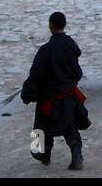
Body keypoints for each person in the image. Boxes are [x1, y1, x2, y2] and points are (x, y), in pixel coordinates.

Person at [21, 11, 90, 170]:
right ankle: (77, 155)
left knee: (40, 125)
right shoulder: (70, 46)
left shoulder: (46, 50)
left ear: (51, 26)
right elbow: (77, 72)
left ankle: (41, 153)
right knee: (69, 125)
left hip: (49, 97)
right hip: (68, 95)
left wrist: (27, 94)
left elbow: (36, 75)